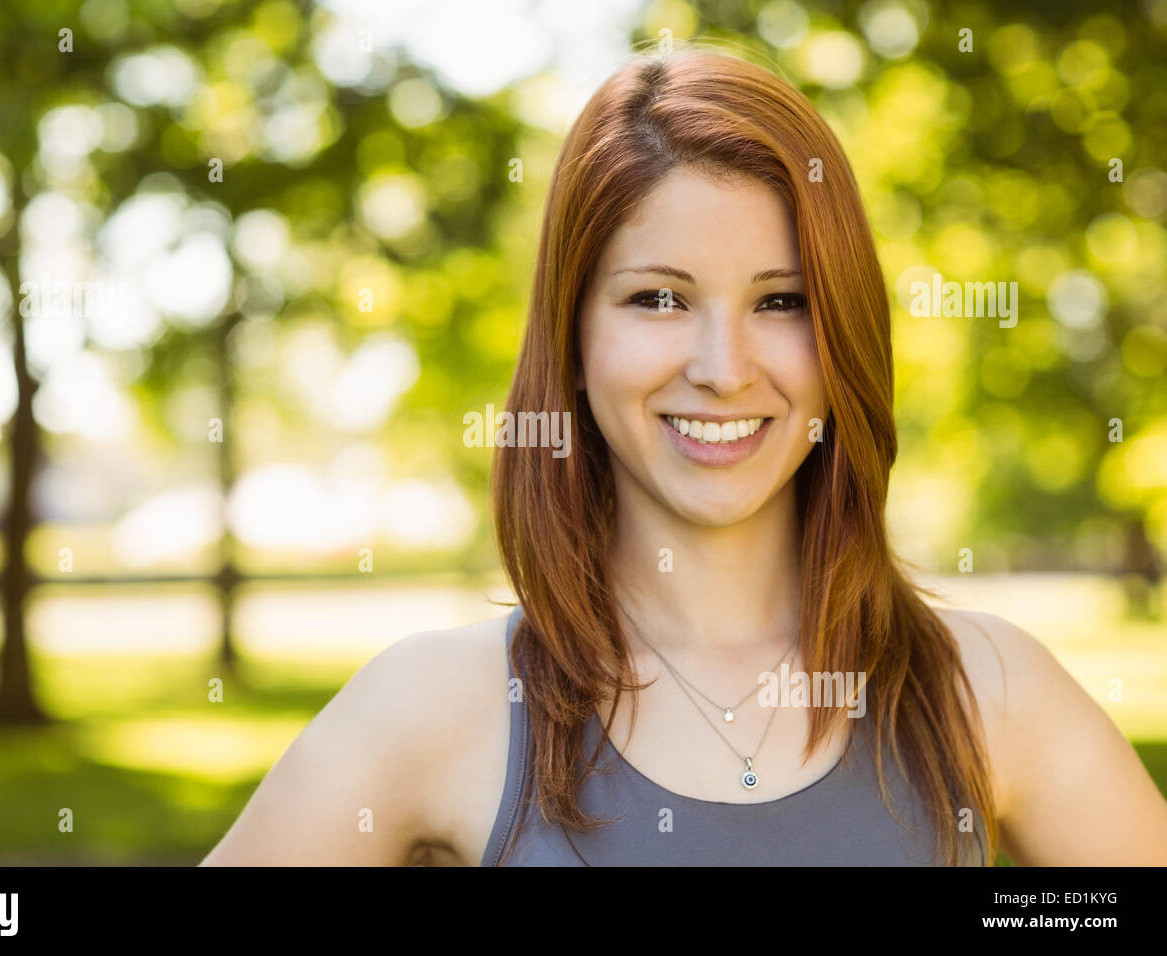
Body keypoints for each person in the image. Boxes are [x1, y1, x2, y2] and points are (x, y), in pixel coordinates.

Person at [201, 43, 1167, 866]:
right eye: (658, 298)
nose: (722, 368)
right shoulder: (436, 706)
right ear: (572, 341)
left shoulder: (989, 692)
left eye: (781, 301)